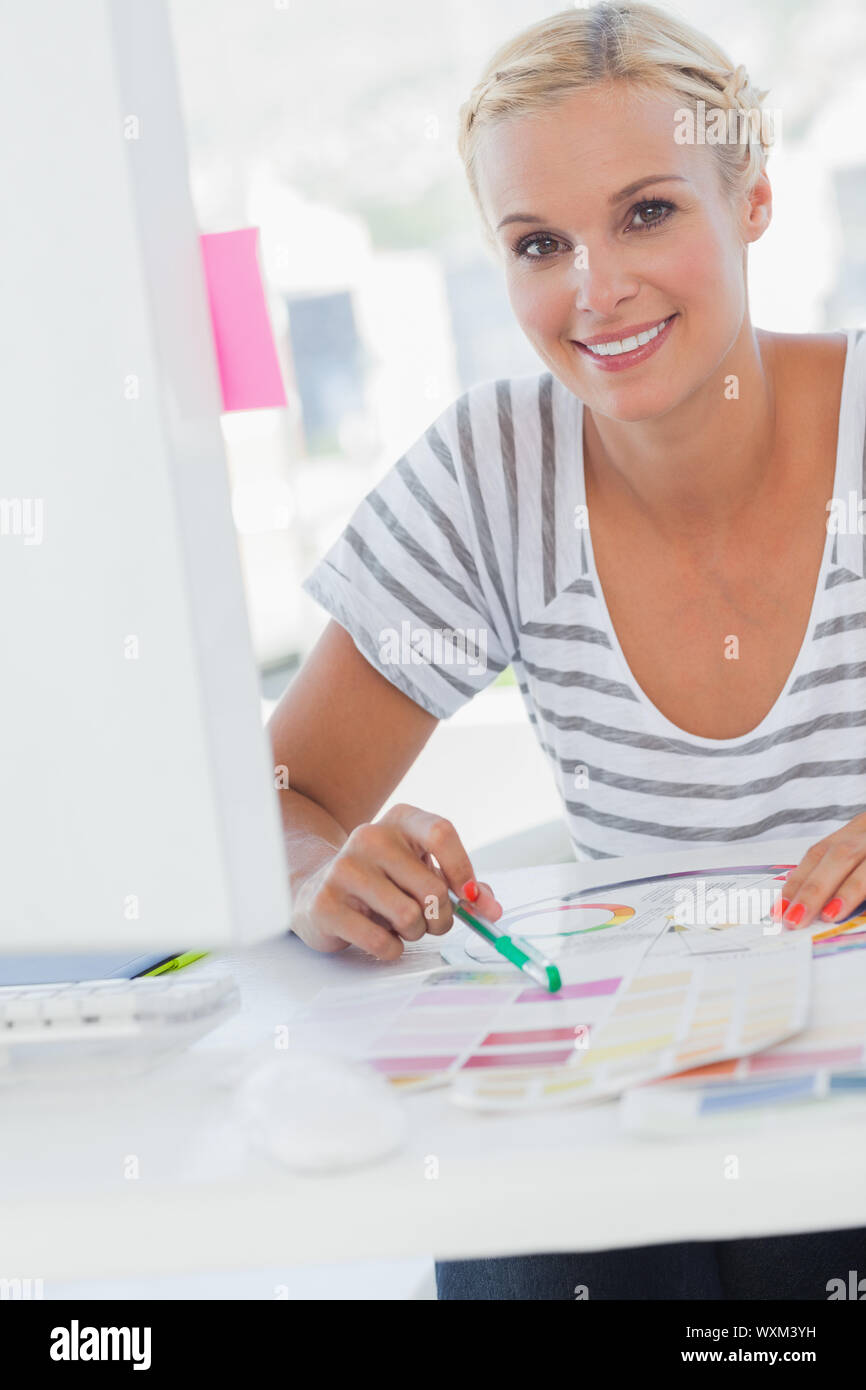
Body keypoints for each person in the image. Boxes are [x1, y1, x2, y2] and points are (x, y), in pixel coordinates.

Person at [267, 2, 866, 1298]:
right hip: (632, 1100)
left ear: (750, 197)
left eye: (646, 211)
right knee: (531, 1239)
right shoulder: (491, 471)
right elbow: (282, 797)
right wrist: (318, 870)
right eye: (540, 242)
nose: (595, 286)